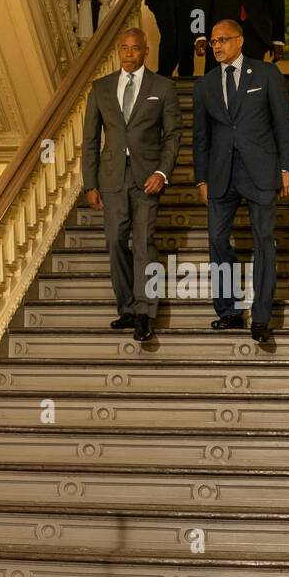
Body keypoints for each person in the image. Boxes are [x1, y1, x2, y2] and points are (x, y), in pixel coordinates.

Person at [191, 19, 289, 344]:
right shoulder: (205, 84)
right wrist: (201, 178)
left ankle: (261, 318)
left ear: (239, 41)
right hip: (221, 175)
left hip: (261, 170)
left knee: (264, 242)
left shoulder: (265, 75)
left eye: (222, 40)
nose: (216, 46)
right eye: (213, 42)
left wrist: (286, 167)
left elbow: (283, 123)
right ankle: (229, 311)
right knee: (218, 242)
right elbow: (200, 136)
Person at [81, 28, 182, 343]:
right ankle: (125, 307)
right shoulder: (100, 88)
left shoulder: (163, 87)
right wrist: (90, 183)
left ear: (145, 51)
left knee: (143, 243)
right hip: (111, 179)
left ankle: (144, 313)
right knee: (114, 242)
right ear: (117, 50)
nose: (128, 54)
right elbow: (90, 141)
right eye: (123, 48)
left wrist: (162, 173)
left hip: (146, 178)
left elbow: (173, 136)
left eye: (134, 49)